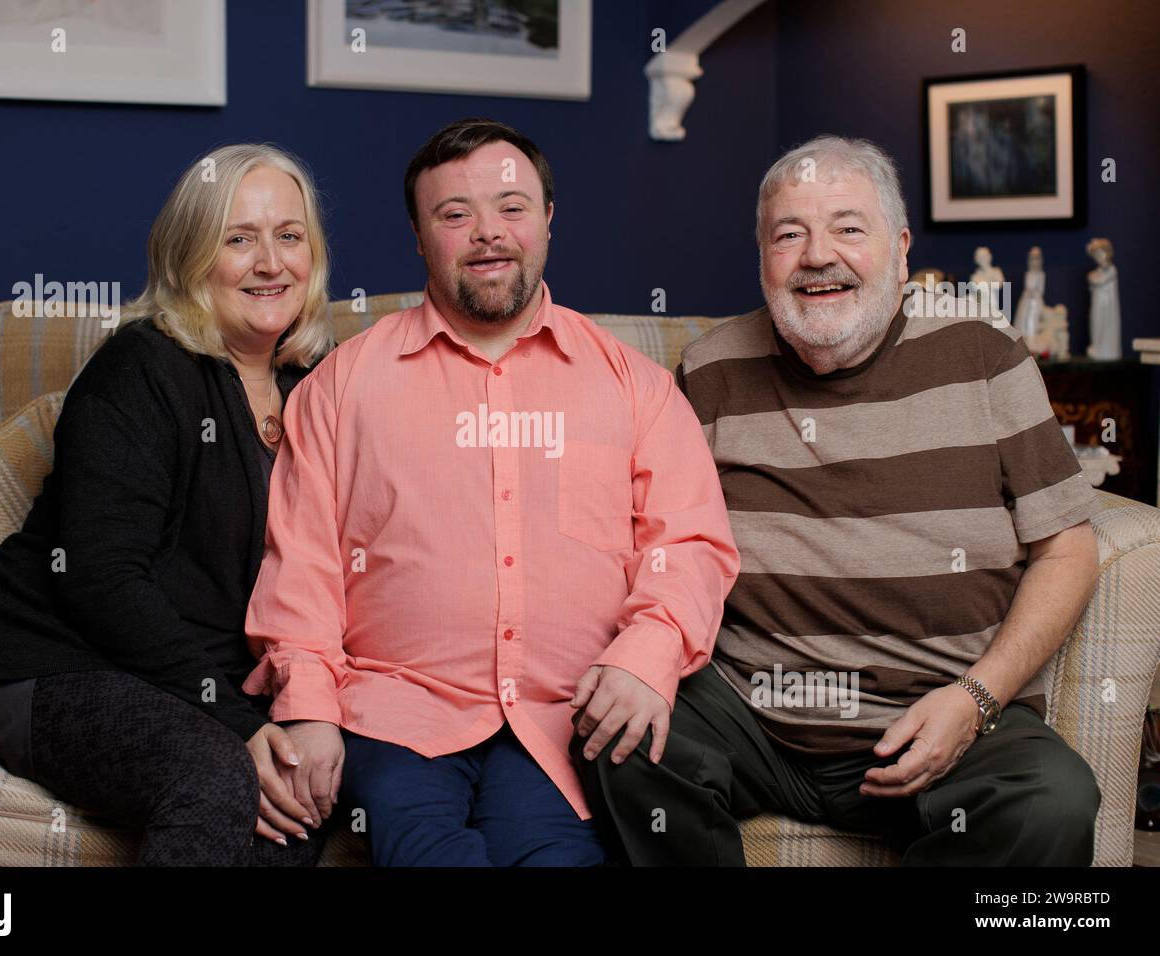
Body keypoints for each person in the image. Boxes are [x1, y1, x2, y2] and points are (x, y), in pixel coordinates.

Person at [576, 135, 1102, 866]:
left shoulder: (985, 356)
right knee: (620, 733)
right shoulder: (712, 370)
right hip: (752, 716)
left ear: (901, 248)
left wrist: (978, 698)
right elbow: (659, 540)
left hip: (940, 707)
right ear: (762, 257)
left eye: (849, 228)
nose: (817, 255)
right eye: (788, 234)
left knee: (1054, 800)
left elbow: (1069, 547)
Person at [242, 118, 739, 866]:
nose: (487, 234)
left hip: (563, 714)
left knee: (558, 859)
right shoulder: (341, 388)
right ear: (418, 236)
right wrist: (308, 707)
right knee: (425, 851)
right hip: (397, 711)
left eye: (510, 208)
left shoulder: (633, 385)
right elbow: (302, 568)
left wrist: (648, 652)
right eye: (455, 214)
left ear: (546, 221)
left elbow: (689, 544)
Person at [0, 143, 335, 865]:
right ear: (191, 257)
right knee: (218, 774)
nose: (270, 262)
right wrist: (232, 719)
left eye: (289, 236)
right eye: (238, 239)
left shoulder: (313, 389)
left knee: (296, 804)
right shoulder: (142, 367)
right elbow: (99, 574)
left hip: (190, 675)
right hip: (53, 663)